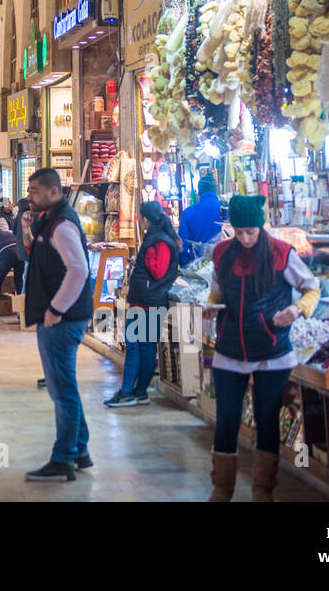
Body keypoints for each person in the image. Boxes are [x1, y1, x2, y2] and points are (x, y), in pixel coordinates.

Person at [205, 195, 320, 501]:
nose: (244, 238)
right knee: (226, 420)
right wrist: (210, 307)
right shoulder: (222, 253)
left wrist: (296, 311)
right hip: (229, 351)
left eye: (250, 232)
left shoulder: (281, 254)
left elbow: (312, 288)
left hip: (272, 353)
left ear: (261, 227)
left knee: (267, 421)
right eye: (239, 231)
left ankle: (262, 491)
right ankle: (222, 488)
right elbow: (217, 292)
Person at [21, 168, 95, 482]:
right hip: (60, 317)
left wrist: (55, 309)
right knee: (62, 386)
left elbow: (78, 270)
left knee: (61, 389)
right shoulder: (49, 221)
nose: (29, 196)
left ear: (54, 192)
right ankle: (79, 449)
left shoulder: (62, 224)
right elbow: (39, 259)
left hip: (62, 320)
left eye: (35, 191)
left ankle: (63, 458)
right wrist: (28, 231)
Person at [106, 200, 180, 408]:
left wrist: (145, 256)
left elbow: (157, 270)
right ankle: (139, 392)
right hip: (150, 299)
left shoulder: (158, 241)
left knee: (136, 346)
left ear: (145, 219)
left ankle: (128, 391)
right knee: (145, 348)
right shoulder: (160, 237)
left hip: (147, 301)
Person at [179, 173, 224, 264]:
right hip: (223, 266)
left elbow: (181, 246)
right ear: (216, 190)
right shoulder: (226, 210)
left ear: (199, 192)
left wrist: (186, 265)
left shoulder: (188, 212)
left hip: (197, 269)